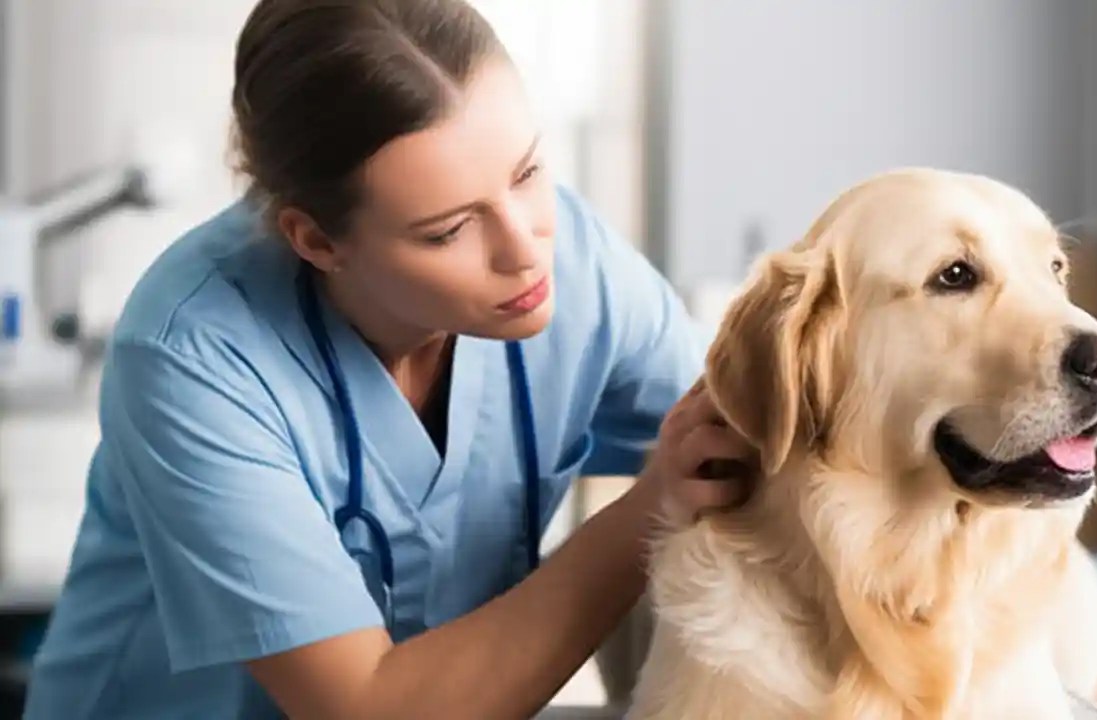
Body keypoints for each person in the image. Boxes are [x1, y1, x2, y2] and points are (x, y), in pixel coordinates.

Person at [23, 1, 754, 718]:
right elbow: (368, 705)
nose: (525, 248)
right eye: (448, 230)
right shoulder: (194, 354)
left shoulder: (579, 268)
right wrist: (652, 506)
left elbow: (744, 436)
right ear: (317, 241)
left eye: (527, 173)